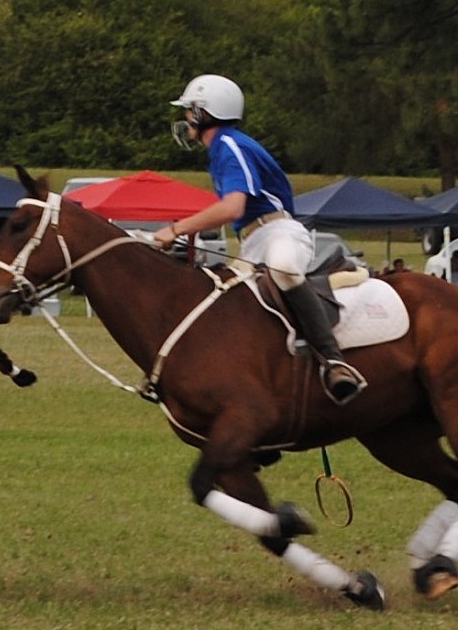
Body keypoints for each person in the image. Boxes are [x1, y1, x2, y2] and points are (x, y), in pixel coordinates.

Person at [151, 74, 366, 406]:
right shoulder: (221, 149)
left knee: (282, 269)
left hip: (279, 231)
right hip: (251, 241)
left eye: (190, 110)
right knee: (221, 306)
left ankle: (334, 361)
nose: (186, 118)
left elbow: (233, 206)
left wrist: (177, 229)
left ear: (206, 112)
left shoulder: (228, 144)